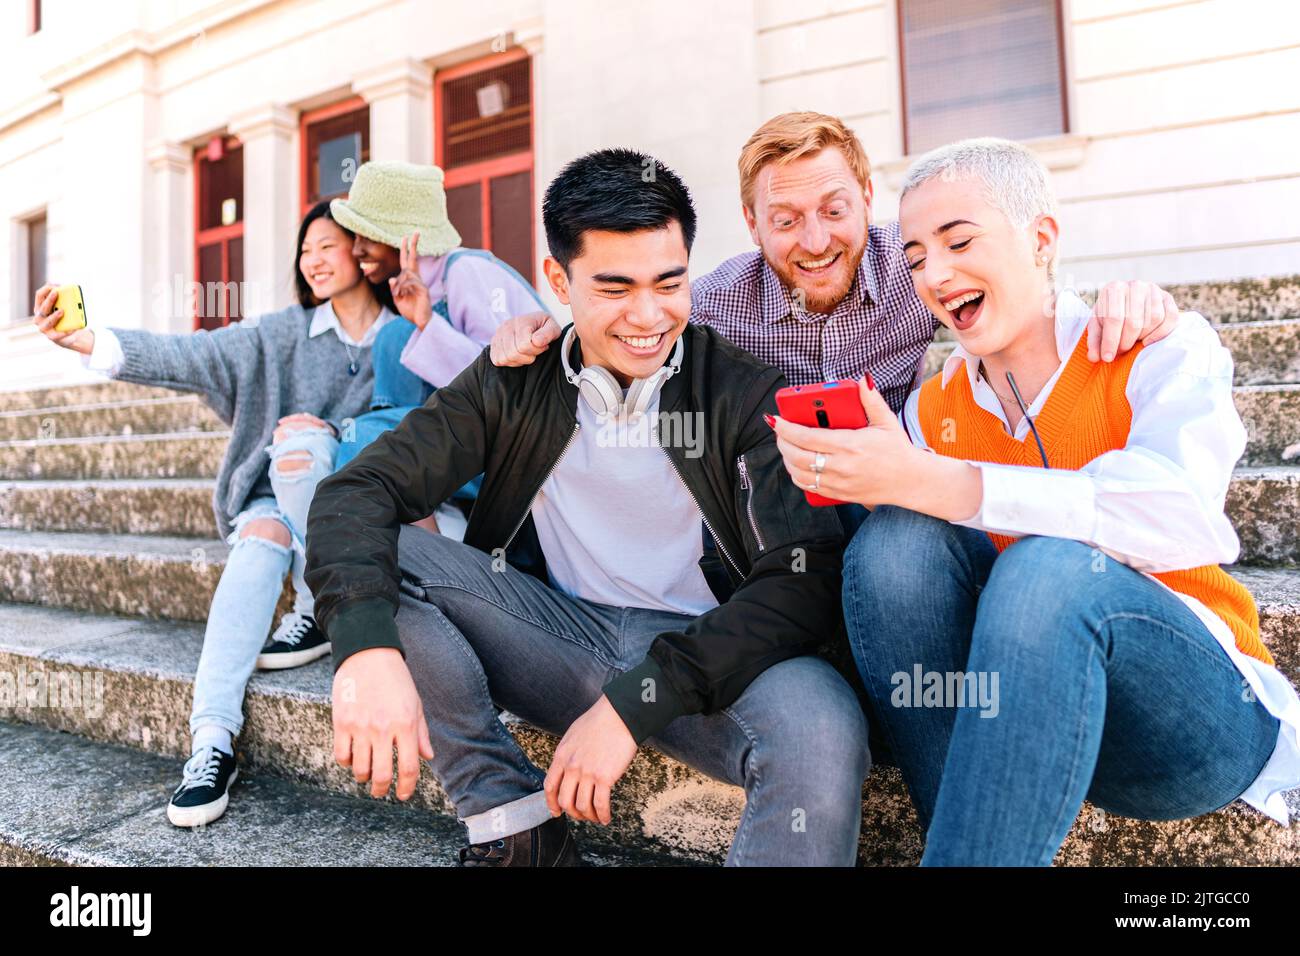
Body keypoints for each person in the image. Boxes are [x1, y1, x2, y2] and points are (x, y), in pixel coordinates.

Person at [305, 148, 869, 866]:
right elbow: (353, 494)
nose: (647, 315)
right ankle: (513, 825)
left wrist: (637, 701)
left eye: (669, 283)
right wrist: (364, 647)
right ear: (556, 282)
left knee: (823, 727)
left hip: (711, 655)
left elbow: (800, 579)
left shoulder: (740, 391)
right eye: (615, 287)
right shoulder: (514, 377)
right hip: (554, 635)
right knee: (381, 556)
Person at [770, 137, 1300, 866]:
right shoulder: (934, 412)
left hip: (1189, 721)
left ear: (1042, 237)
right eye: (917, 257)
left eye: (958, 241)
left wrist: (942, 483)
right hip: (1018, 725)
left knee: (1049, 570)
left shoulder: (1157, 346)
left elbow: (1182, 517)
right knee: (895, 542)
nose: (936, 273)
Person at [31, 200, 396, 827]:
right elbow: (192, 357)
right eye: (305, 249)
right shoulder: (280, 333)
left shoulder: (402, 332)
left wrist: (337, 429)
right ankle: (212, 742)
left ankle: (316, 607)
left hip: (361, 510)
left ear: (365, 251)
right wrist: (90, 340)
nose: (312, 260)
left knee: (313, 453)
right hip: (276, 497)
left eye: (328, 245)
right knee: (259, 534)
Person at [328, 160, 548, 535]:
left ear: (406, 237)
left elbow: (501, 386)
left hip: (523, 449)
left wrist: (429, 323)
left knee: (371, 442)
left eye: (367, 234)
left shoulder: (465, 272)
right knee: (393, 340)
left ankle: (429, 578)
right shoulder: (422, 291)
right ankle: (423, 532)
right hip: (479, 441)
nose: (357, 249)